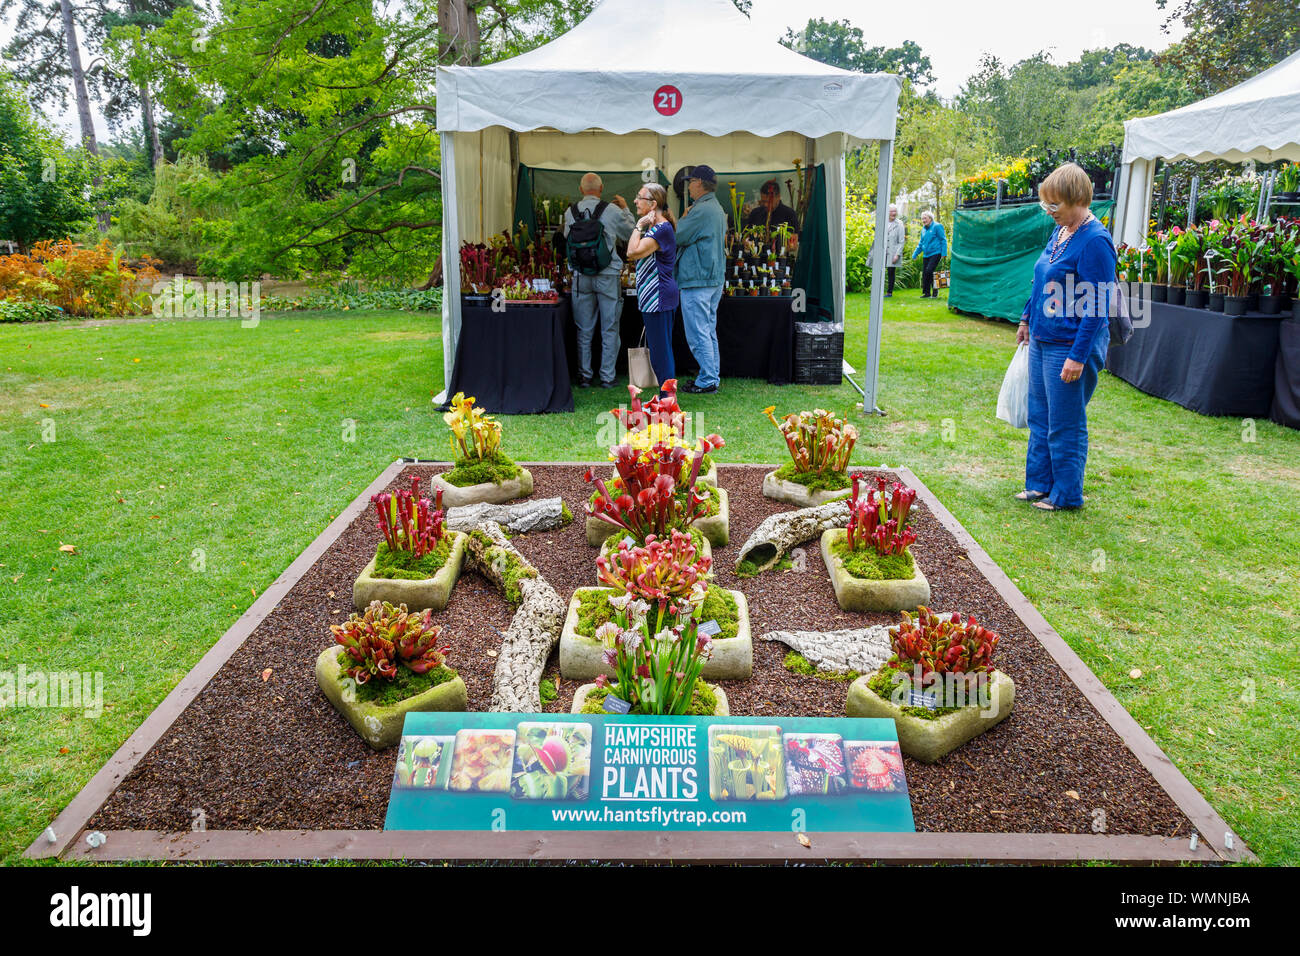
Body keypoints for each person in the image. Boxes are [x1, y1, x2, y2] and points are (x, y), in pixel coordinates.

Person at [1015, 162, 1114, 512]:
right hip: (1043, 339)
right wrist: (1027, 318)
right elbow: (1041, 279)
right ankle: (1039, 484)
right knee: (1040, 416)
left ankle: (1067, 495)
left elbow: (1098, 305)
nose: (1049, 211)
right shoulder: (1060, 233)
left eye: (1054, 205)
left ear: (1077, 200)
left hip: (1069, 345)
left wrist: (1078, 355)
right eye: (1046, 204)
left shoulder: (1096, 242)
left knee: (1065, 422)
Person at [563, 172, 635, 388]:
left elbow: (567, 238)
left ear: (581, 189)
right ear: (601, 189)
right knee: (610, 328)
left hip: (581, 276)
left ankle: (585, 375)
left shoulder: (570, 212)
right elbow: (630, 233)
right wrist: (625, 209)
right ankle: (607, 376)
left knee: (584, 330)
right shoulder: (612, 210)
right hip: (608, 275)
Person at [673, 164, 727, 394]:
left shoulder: (701, 210)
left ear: (698, 183)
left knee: (698, 333)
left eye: (690, 182)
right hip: (711, 277)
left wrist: (682, 217)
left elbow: (677, 236)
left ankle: (707, 380)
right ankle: (711, 375)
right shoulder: (715, 207)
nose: (689, 187)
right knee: (707, 329)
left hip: (698, 279)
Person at [625, 182, 679, 393]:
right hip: (655, 297)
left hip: (659, 297)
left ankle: (668, 400)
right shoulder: (657, 228)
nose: (635, 201)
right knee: (660, 351)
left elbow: (632, 251)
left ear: (653, 203)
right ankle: (667, 398)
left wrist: (638, 226)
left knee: (660, 353)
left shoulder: (660, 229)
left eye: (640, 198)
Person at [912, 210, 947, 298]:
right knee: (925, 273)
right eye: (922, 218)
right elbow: (921, 243)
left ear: (930, 218)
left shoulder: (937, 226)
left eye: (925, 218)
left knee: (929, 271)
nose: (923, 220)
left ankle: (935, 292)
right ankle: (926, 293)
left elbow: (943, 240)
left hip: (936, 253)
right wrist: (915, 254)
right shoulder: (923, 229)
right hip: (926, 254)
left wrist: (944, 253)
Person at [883, 204, 905, 297]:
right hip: (883, 250)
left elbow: (901, 241)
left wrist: (897, 254)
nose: (894, 213)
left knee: (891, 271)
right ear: (887, 212)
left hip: (893, 251)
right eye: (891, 211)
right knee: (879, 271)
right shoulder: (883, 222)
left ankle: (889, 292)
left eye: (895, 211)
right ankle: (878, 291)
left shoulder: (899, 224)